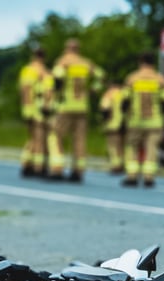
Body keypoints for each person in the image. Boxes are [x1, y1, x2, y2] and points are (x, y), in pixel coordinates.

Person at [47, 38, 104, 183]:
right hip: (82, 107)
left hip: (66, 106)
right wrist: (93, 90)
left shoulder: (63, 62)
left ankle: (57, 169)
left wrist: (56, 95)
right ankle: (77, 171)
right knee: (79, 140)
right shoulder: (86, 63)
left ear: (66, 48)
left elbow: (57, 79)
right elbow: (101, 76)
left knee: (55, 136)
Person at [120, 52, 164, 188]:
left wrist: (123, 118)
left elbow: (125, 101)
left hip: (136, 120)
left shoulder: (132, 78)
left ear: (140, 62)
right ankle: (149, 177)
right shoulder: (160, 80)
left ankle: (132, 176)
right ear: (153, 63)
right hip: (155, 121)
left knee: (132, 148)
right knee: (152, 149)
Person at [18, 48, 50, 177]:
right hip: (38, 109)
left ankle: (27, 163)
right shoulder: (43, 71)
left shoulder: (27, 70)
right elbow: (30, 90)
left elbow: (23, 90)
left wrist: (26, 108)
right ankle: (38, 167)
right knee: (39, 139)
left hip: (29, 108)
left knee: (32, 138)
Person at [99, 79, 126, 175]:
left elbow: (105, 108)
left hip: (112, 124)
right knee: (123, 145)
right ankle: (124, 163)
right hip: (125, 124)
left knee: (113, 146)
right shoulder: (124, 93)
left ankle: (116, 165)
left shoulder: (109, 94)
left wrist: (104, 121)